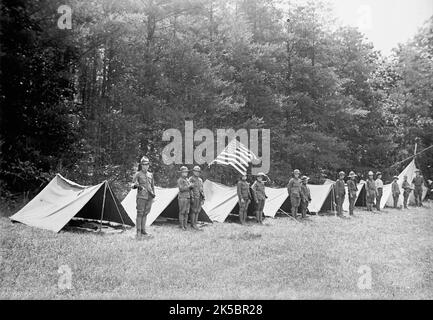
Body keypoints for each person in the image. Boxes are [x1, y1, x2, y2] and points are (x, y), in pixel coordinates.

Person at [131, 156, 155, 239]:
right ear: (141, 165)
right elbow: (132, 185)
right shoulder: (138, 174)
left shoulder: (150, 174)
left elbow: (152, 186)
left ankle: (143, 230)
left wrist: (153, 196)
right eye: (144, 164)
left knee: (145, 213)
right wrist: (136, 185)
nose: (146, 166)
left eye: (147, 164)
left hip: (149, 197)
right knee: (140, 213)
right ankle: (138, 231)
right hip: (141, 197)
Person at [189, 166, 205, 230]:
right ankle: (193, 224)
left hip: (200, 197)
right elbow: (190, 189)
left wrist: (203, 198)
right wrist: (191, 197)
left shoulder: (200, 180)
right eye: (196, 171)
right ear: (193, 171)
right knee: (193, 211)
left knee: (198, 211)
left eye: (198, 171)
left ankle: (195, 223)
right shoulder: (191, 179)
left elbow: (202, 189)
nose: (197, 172)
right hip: (194, 197)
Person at [177, 166, 192, 230]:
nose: (186, 173)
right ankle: (181, 225)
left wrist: (191, 186)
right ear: (181, 173)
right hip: (182, 198)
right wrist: (189, 186)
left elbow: (189, 189)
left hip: (188, 197)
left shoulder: (187, 179)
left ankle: (185, 225)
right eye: (184, 172)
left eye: (186, 172)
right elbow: (181, 189)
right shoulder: (180, 180)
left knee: (187, 212)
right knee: (182, 212)